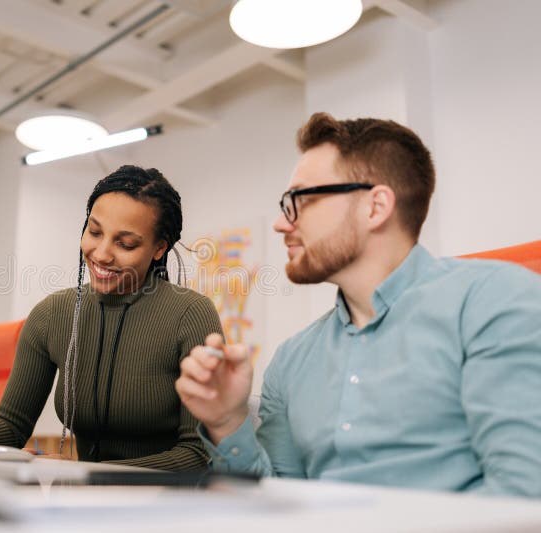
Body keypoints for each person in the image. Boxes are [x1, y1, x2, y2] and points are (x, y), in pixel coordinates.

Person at [176, 112, 541, 496]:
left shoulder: (494, 301)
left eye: (300, 199)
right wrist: (227, 422)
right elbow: (276, 501)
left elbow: (524, 495)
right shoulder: (291, 360)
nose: (281, 224)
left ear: (375, 207)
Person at [0, 165, 223, 471]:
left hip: (169, 509)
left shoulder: (190, 315)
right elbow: (11, 427)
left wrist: (89, 474)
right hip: (83, 504)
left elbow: (198, 453)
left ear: (158, 248)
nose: (101, 253)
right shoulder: (52, 314)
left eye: (125, 243)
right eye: (94, 232)